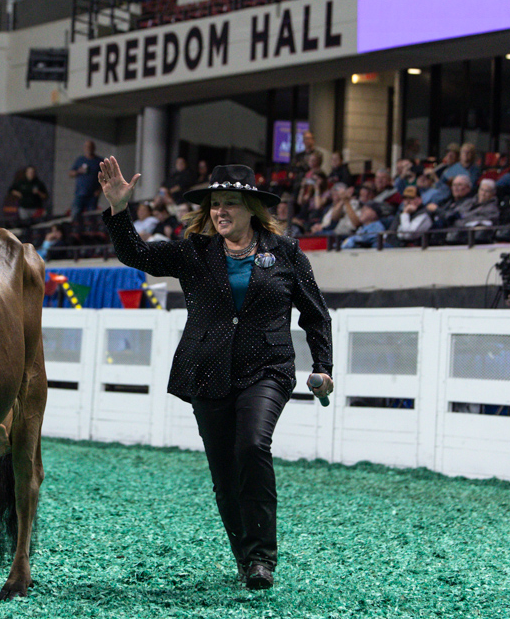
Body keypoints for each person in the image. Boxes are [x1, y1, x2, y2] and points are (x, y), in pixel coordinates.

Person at [97, 159, 333, 591]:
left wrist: (323, 367)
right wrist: (119, 210)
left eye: (230, 203)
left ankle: (264, 555)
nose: (220, 211)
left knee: (252, 444)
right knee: (224, 473)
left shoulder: (286, 252)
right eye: (215, 204)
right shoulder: (194, 251)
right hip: (207, 370)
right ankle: (247, 562)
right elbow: (136, 254)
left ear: (252, 209)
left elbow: (316, 314)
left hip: (268, 367)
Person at [69, 140, 103, 215]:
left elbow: (106, 178)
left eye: (90, 147)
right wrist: (78, 171)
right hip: (80, 193)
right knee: (75, 214)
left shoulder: (99, 161)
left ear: (94, 148)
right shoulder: (80, 160)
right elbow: (71, 173)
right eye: (87, 147)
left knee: (90, 216)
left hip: (92, 195)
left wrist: (100, 190)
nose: (88, 148)